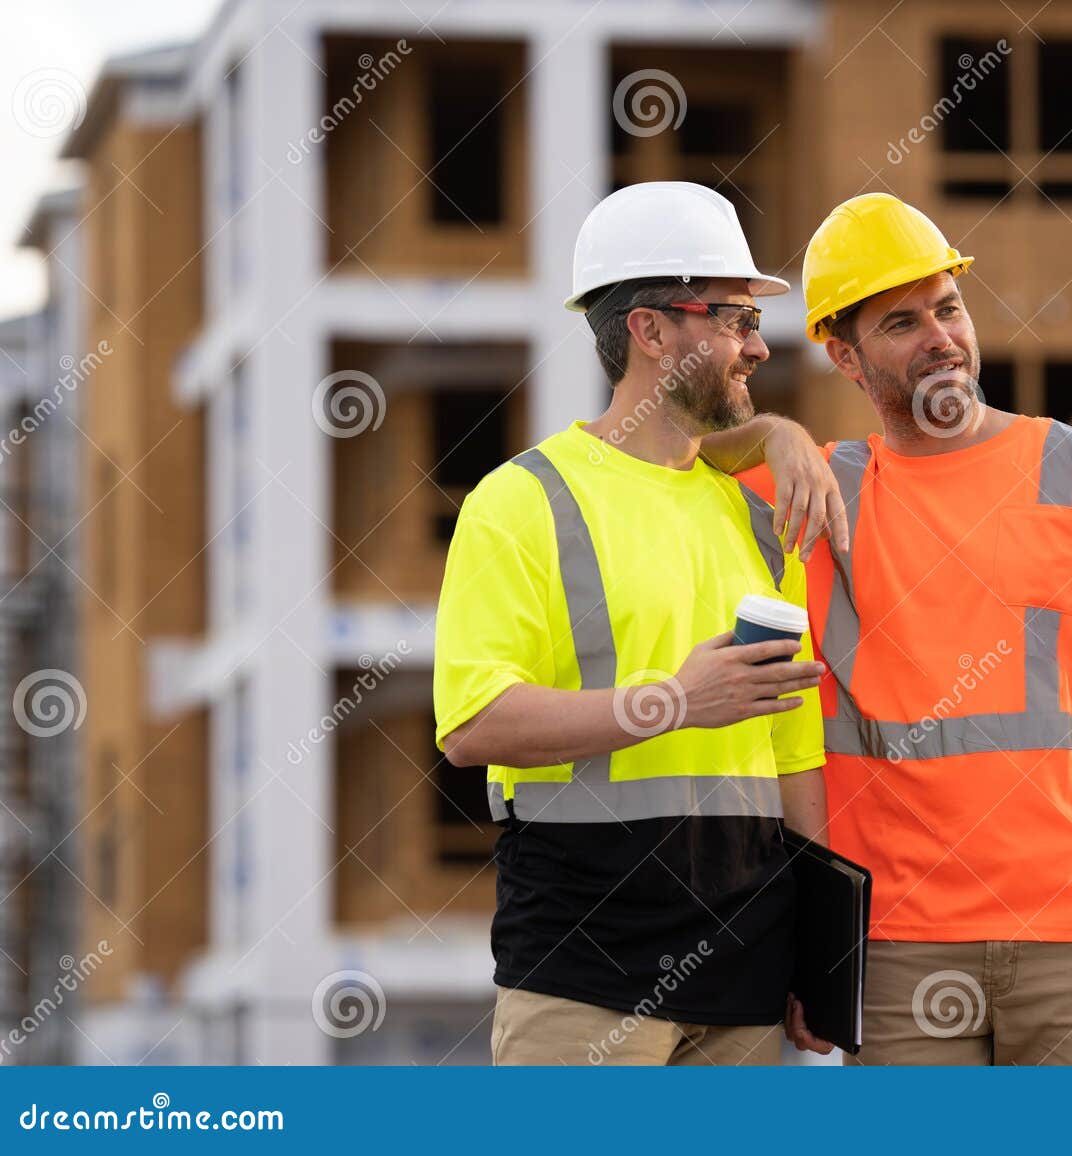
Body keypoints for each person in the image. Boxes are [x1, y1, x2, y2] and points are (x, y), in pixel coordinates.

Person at [704, 191, 1072, 1065]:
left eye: (949, 308)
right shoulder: (818, 491)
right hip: (898, 943)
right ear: (844, 354)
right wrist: (773, 432)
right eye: (902, 323)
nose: (941, 337)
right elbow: (672, 455)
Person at [433, 182, 829, 1066]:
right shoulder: (521, 502)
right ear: (650, 331)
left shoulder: (761, 520)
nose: (758, 344)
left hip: (748, 978)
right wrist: (673, 701)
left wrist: (819, 950)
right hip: (583, 972)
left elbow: (795, 752)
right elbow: (471, 726)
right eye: (731, 317)